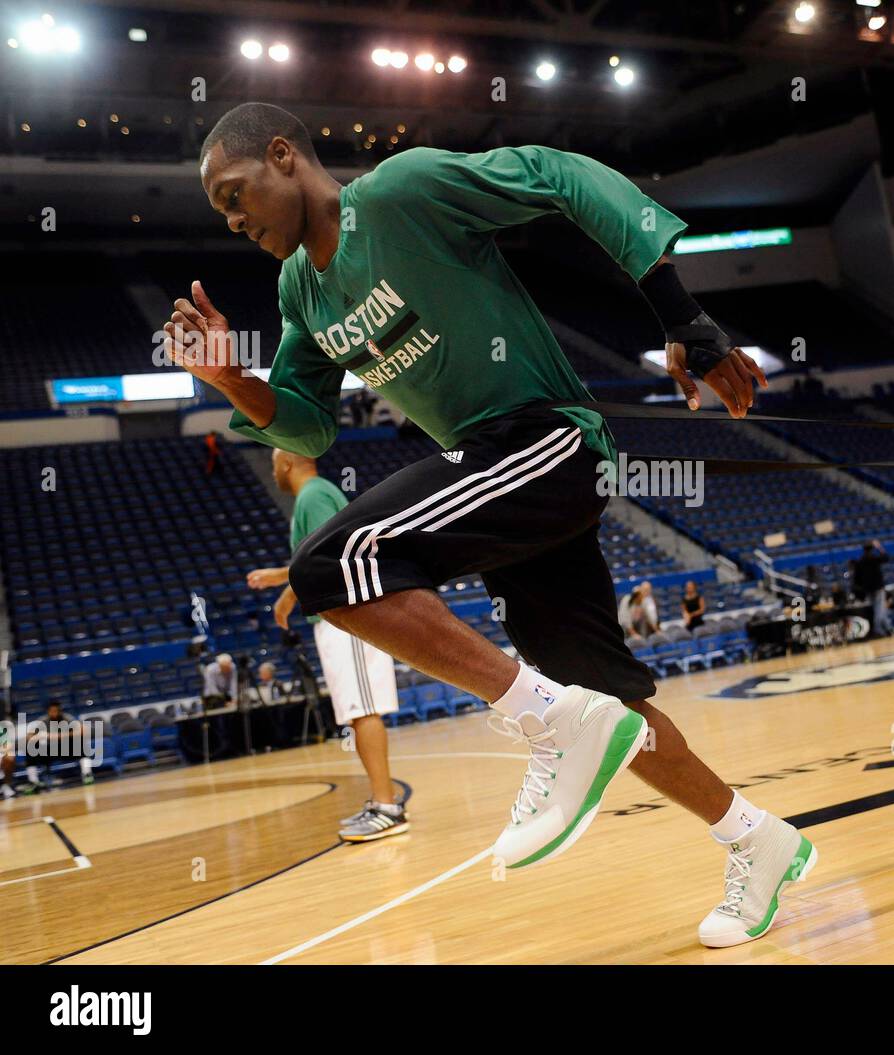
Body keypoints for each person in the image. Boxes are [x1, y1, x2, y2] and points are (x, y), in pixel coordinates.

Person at [163, 102, 814, 946]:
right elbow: (308, 427)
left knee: (331, 565)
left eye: (235, 193)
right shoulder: (301, 289)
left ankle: (547, 721)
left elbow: (563, 175)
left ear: (283, 156)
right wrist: (231, 380)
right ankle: (756, 839)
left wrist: (680, 314)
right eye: (221, 209)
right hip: (501, 478)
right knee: (608, 705)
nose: (233, 218)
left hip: (547, 441)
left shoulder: (399, 193)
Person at [247, 448, 407, 842]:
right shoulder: (315, 495)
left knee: (363, 711)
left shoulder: (313, 495)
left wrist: (283, 590)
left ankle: (387, 807)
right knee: (358, 713)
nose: (273, 472)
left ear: (286, 463)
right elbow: (316, 561)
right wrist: (284, 587)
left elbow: (328, 559)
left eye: (274, 464)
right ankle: (382, 801)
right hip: (339, 617)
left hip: (347, 616)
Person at [24, 700, 94, 788]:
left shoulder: (67, 718)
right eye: (52, 711)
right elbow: (29, 736)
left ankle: (87, 774)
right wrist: (36, 737)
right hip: (50, 751)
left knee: (81, 745)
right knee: (30, 748)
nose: (55, 713)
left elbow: (82, 731)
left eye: (57, 711)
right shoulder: (42, 721)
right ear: (48, 711)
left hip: (67, 750)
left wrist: (55, 736)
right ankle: (33, 781)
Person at [852, 540, 889, 637]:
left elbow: (857, 578)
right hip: (878, 588)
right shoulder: (873, 558)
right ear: (872, 549)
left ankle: (887, 628)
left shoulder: (860, 561)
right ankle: (879, 629)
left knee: (876, 609)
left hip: (868, 589)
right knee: (879, 610)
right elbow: (886, 558)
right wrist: (879, 547)